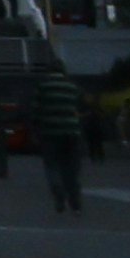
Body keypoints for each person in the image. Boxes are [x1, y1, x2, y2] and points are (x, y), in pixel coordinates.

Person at [30, 58, 89, 216]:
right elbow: (83, 107)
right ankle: (75, 204)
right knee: (72, 169)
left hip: (50, 132)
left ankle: (58, 190)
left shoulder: (43, 86)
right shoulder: (72, 86)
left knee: (52, 165)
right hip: (72, 132)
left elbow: (36, 111)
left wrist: (36, 131)